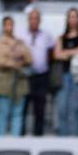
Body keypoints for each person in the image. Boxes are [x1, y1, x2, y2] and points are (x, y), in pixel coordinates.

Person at [0, 15, 33, 136]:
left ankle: (15, 141)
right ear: (3, 27)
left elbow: (29, 59)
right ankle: (2, 139)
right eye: (7, 25)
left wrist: (20, 56)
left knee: (18, 113)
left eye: (11, 24)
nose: (9, 27)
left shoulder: (20, 42)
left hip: (19, 81)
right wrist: (13, 62)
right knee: (4, 113)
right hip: (4, 80)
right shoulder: (0, 43)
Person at [20, 8, 56, 137]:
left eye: (36, 18)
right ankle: (21, 134)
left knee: (40, 107)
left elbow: (51, 53)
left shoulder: (46, 35)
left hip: (42, 76)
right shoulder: (21, 35)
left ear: (40, 20)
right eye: (31, 18)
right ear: (28, 20)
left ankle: (38, 135)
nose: (34, 21)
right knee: (23, 106)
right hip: (25, 76)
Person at [54, 8, 78, 137]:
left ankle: (75, 138)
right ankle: (63, 137)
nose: (73, 19)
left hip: (77, 76)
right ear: (67, 19)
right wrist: (73, 52)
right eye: (70, 17)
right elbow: (57, 55)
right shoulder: (61, 38)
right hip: (64, 75)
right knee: (62, 109)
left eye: (75, 17)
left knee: (75, 109)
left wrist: (66, 53)